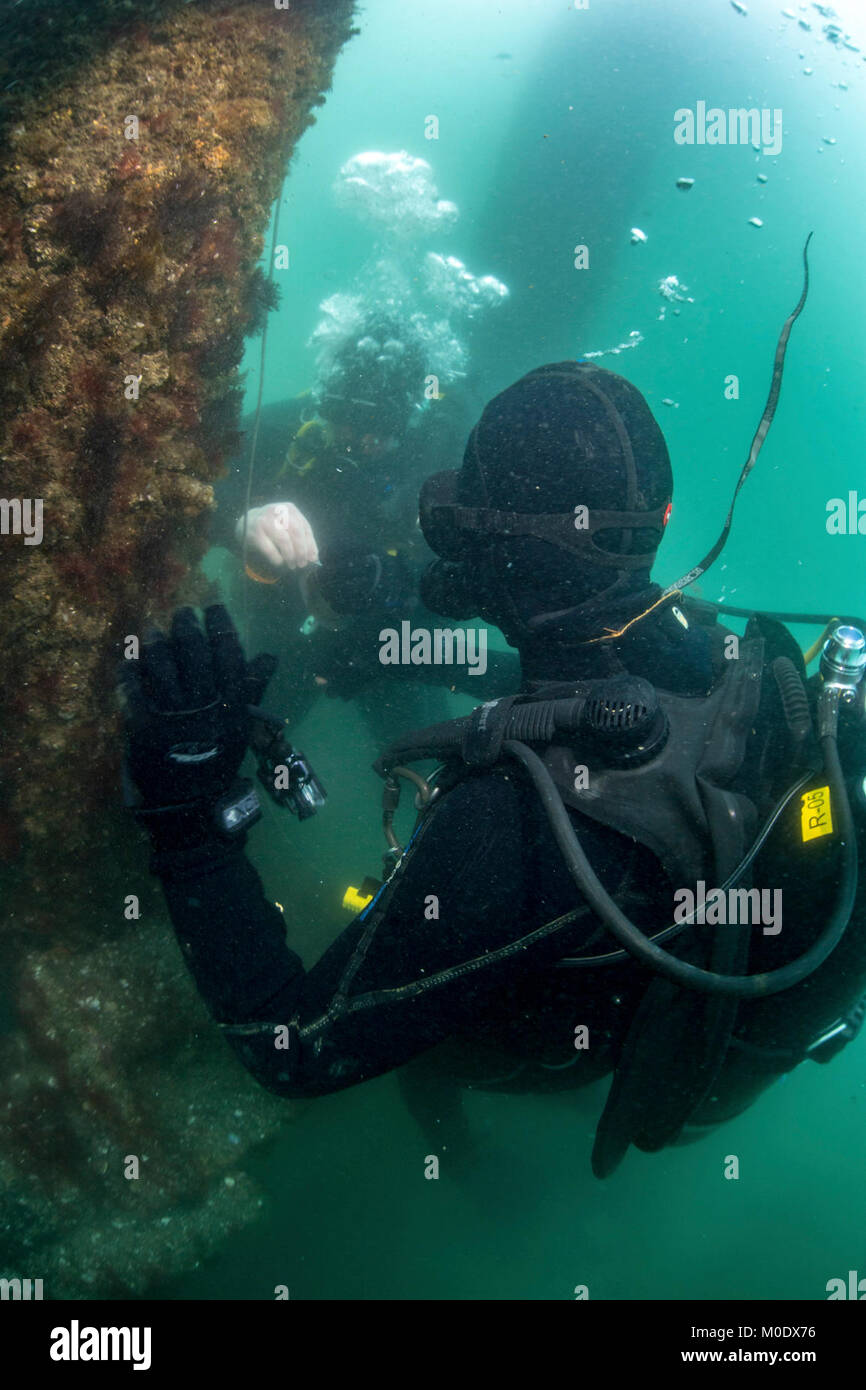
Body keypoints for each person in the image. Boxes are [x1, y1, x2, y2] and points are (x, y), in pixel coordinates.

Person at [123, 361, 866, 1177]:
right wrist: (393, 605)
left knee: (429, 1062)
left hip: (562, 1034)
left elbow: (293, 1051)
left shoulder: (516, 825)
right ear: (659, 517)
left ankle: (464, 1154)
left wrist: (187, 813)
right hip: (698, 965)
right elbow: (588, 678)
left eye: (460, 520)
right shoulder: (730, 647)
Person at [211, 313, 518, 736]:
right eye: (343, 416)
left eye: (380, 425)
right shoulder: (287, 432)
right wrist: (238, 520)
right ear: (325, 401)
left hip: (393, 649)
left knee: (417, 767)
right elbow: (191, 482)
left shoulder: (442, 461)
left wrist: (394, 587)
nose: (359, 439)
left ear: (411, 414)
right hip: (287, 633)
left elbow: (491, 572)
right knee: (241, 747)